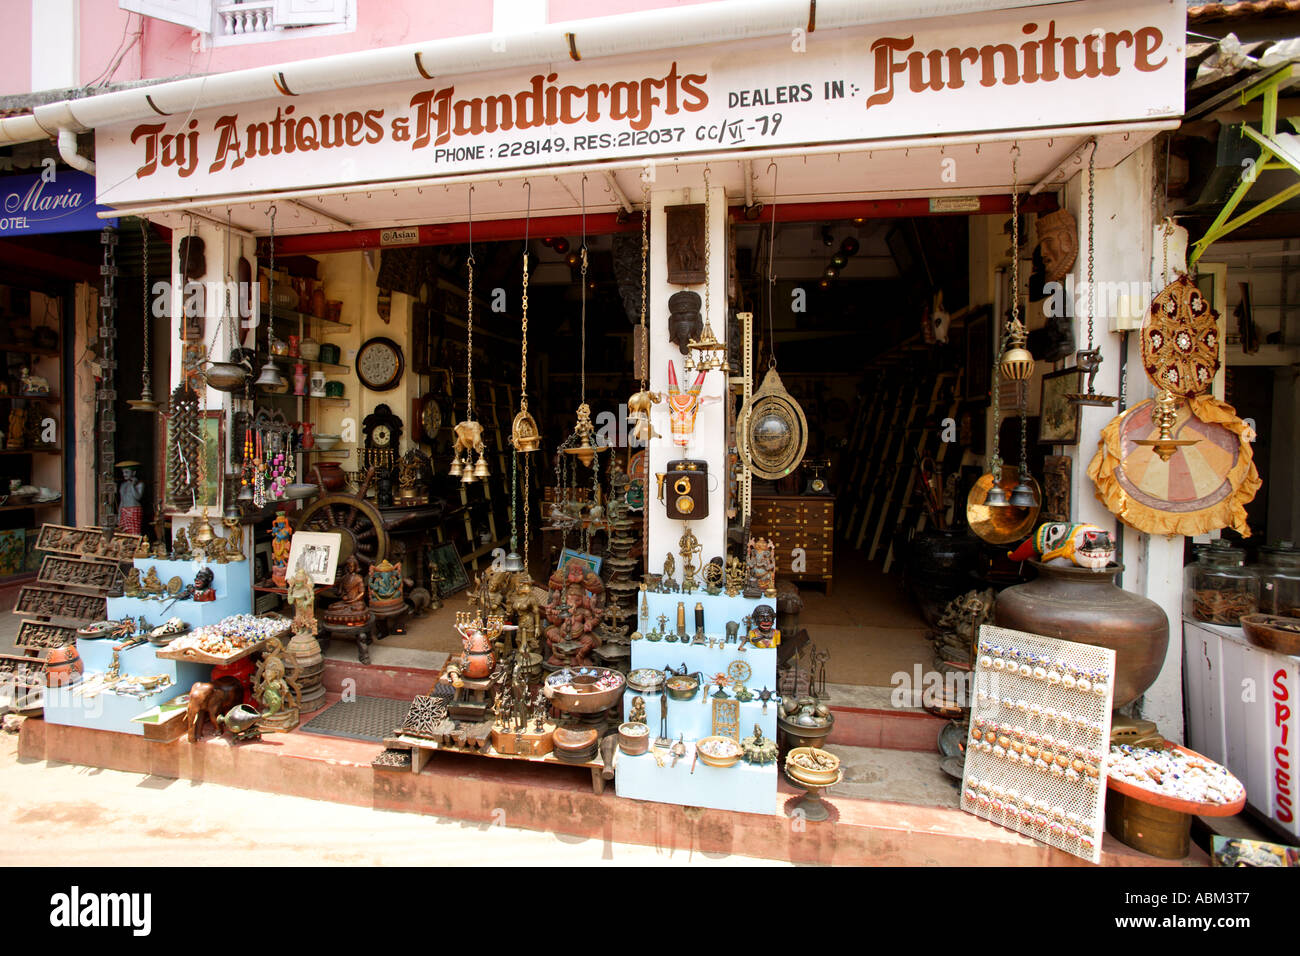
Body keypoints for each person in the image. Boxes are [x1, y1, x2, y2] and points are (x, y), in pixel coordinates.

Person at [117, 462, 145, 536]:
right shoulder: (123, 485)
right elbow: (122, 501)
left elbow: (137, 497)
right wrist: (119, 515)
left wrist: (132, 485)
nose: (124, 474)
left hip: (134, 510)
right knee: (124, 531)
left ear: (134, 472)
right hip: (124, 510)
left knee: (134, 533)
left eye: (126, 472)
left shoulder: (140, 484)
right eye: (123, 472)